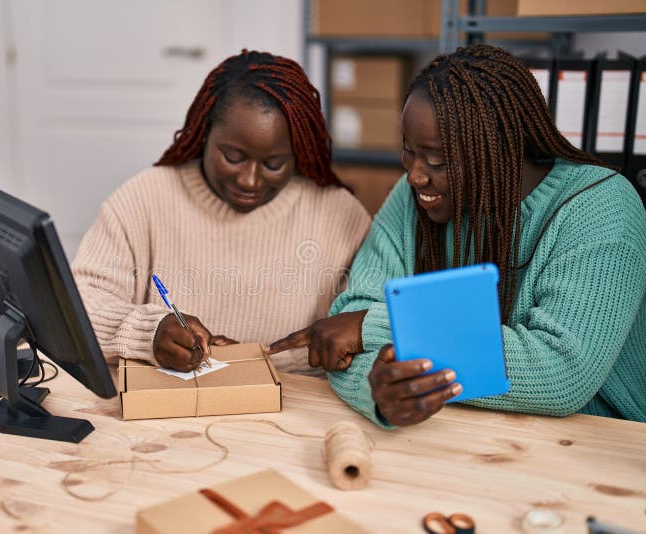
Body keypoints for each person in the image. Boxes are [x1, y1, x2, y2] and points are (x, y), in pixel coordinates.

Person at [269, 44, 646, 425]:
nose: (415, 175)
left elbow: (560, 373)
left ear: (501, 151)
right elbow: (343, 332)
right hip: (460, 426)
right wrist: (380, 390)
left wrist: (376, 326)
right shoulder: (414, 195)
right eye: (408, 152)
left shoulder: (601, 208)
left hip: (594, 437)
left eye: (437, 160)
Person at [72, 50, 370, 375]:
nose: (250, 180)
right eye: (233, 156)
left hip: (299, 407)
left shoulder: (341, 214)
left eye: (274, 164)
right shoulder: (143, 199)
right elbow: (77, 307)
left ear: (298, 153)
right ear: (204, 134)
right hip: (170, 410)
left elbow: (375, 324)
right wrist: (149, 333)